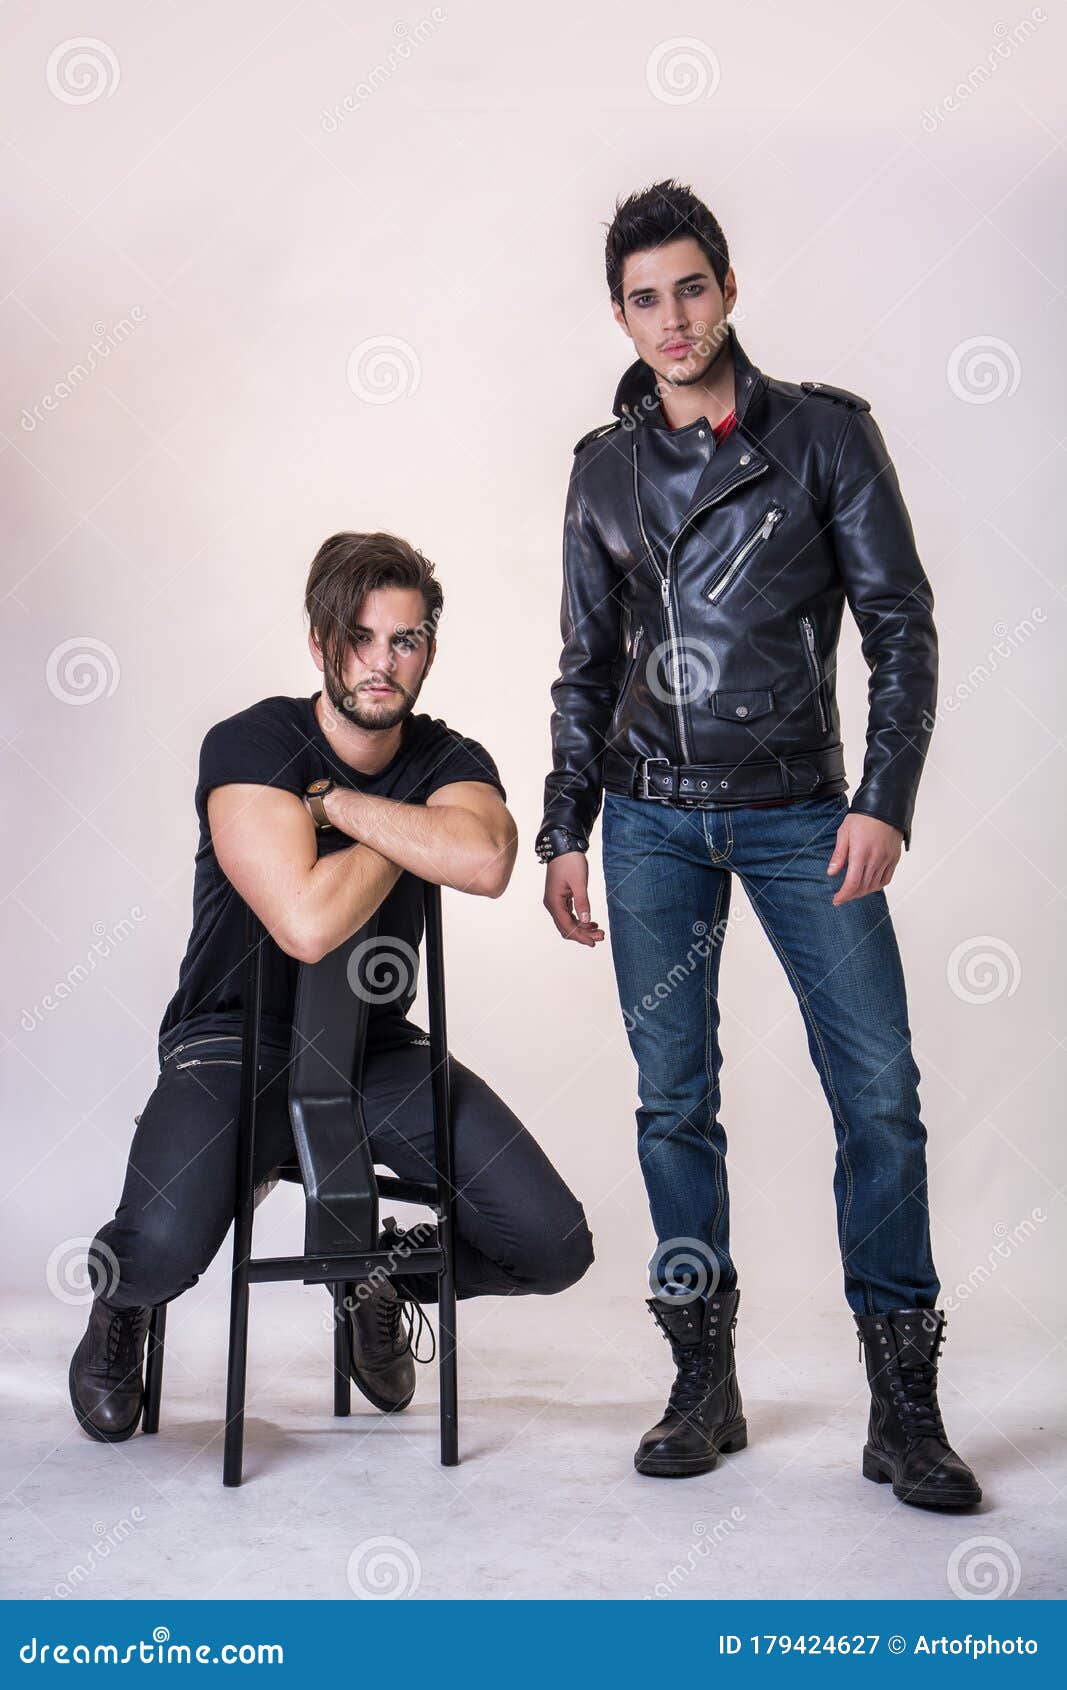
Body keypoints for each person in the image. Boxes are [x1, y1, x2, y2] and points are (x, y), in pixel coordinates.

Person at [536, 179, 980, 1508]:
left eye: (687, 288)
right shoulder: (600, 470)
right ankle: (701, 1380)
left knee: (878, 1099)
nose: (669, 319)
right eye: (640, 298)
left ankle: (902, 1409)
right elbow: (580, 663)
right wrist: (566, 826)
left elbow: (898, 623)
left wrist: (882, 797)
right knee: (673, 1100)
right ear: (616, 313)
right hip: (650, 821)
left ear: (725, 289)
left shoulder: (824, 439)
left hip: (801, 814)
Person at [71, 531, 593, 1444]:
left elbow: (485, 857)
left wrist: (336, 808)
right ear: (319, 642)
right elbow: (306, 921)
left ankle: (385, 1274)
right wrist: (409, 832)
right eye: (359, 638)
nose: (381, 663)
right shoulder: (251, 741)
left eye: (404, 640)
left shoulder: (447, 753)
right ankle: (123, 1310)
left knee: (551, 1244)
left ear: (428, 647)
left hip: (375, 1049)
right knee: (155, 1253)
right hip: (236, 1040)